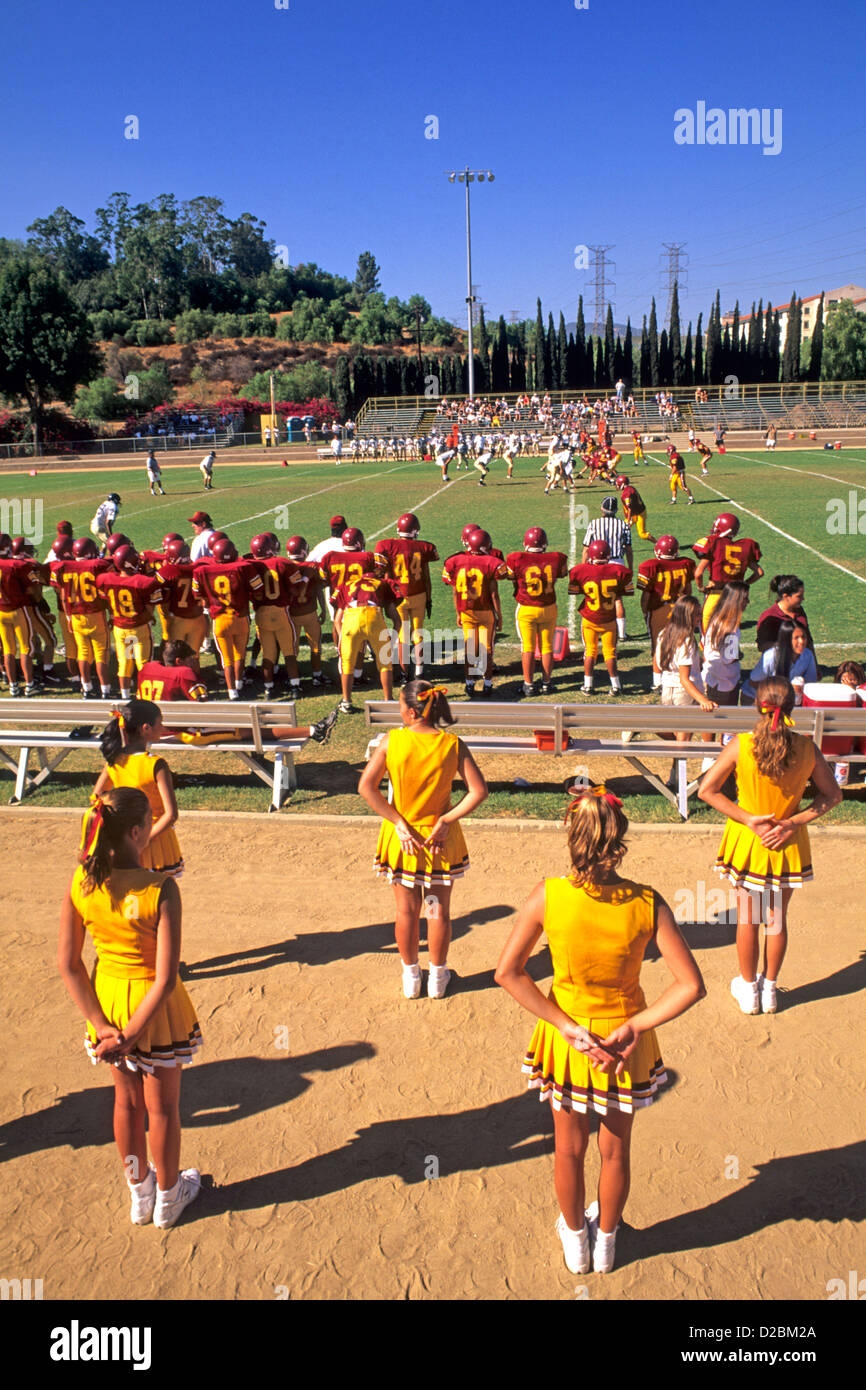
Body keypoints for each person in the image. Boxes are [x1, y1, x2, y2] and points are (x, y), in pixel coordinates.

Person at [495, 787, 705, 1274]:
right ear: (620, 840)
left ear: (571, 837)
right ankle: (607, 1239)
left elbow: (508, 973)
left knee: (568, 1149)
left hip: (568, 1040)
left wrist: (564, 1026)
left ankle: (574, 1240)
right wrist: (637, 1024)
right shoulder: (646, 902)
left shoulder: (547, 896)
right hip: (624, 1042)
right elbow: (690, 985)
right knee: (615, 1149)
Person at [58, 786, 202, 1228]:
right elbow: (165, 977)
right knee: (162, 1108)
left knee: (126, 1103)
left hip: (108, 1001)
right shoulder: (161, 889)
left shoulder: (82, 884)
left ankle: (139, 1193)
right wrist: (135, 1033)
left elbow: (69, 965)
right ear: (138, 832)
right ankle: (169, 1195)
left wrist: (103, 1027)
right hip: (153, 1011)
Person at [698, 677, 842, 1015]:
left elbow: (707, 790)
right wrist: (793, 821)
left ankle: (748, 990)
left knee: (748, 919)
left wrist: (748, 818)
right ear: (793, 708)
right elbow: (833, 795)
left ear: (756, 706)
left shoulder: (741, 745)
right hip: (788, 844)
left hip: (748, 842)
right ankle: (770, 989)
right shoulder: (807, 748)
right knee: (777, 919)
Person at [358, 681, 488, 999]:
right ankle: (439, 978)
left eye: (400, 707)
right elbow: (479, 791)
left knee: (406, 911)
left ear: (412, 711)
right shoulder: (452, 744)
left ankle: (411, 977)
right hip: (439, 840)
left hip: (402, 841)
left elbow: (366, 787)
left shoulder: (393, 741)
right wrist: (446, 819)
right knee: (436, 910)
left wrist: (398, 822)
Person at [93, 700, 183, 876]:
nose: (163, 727)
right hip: (156, 842)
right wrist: (144, 841)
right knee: (155, 895)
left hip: (125, 840)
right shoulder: (156, 764)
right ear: (146, 728)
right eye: (160, 722)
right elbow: (171, 814)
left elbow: (97, 797)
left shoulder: (114, 760)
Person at [442, 528, 506, 698]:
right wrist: (499, 615)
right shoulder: (491, 562)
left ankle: (469, 684)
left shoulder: (455, 561)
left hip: (466, 611)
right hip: (485, 611)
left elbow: (455, 592)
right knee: (487, 649)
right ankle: (487, 683)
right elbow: (494, 594)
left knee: (471, 648)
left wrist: (457, 613)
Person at [506, 527, 569, 696]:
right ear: (545, 543)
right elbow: (563, 574)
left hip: (527, 608)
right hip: (548, 608)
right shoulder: (557, 558)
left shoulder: (516, 558)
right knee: (547, 647)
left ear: (526, 543)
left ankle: (528, 685)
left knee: (528, 647)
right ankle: (547, 684)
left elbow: (511, 576)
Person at [568, 539, 631, 695]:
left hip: (590, 618)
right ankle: (616, 685)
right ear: (609, 555)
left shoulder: (580, 570)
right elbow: (626, 592)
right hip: (609, 618)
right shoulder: (620, 571)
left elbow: (575, 591)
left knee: (590, 651)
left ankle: (588, 685)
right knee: (610, 652)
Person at [638, 536, 695, 687]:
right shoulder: (686, 563)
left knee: (658, 647)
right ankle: (682, 675)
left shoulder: (650, 566)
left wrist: (645, 611)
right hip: (680, 609)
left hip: (658, 609)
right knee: (682, 644)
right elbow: (688, 590)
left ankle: (657, 682)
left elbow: (646, 595)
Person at [692, 514, 763, 631]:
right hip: (735, 598)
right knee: (730, 634)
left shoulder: (713, 543)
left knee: (707, 635)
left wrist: (701, 587)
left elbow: (698, 573)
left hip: (716, 594)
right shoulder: (745, 546)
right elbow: (759, 572)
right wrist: (744, 584)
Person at [740, 619, 817, 705]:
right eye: (796, 638)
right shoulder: (771, 656)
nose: (801, 641)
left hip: (782, 699)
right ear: (787, 640)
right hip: (755, 698)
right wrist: (786, 689)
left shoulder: (808, 655)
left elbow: (810, 682)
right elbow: (753, 682)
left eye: (803, 637)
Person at [756, 576, 812, 653]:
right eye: (799, 596)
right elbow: (762, 646)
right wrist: (787, 645)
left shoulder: (800, 611)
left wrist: (813, 664)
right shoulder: (769, 616)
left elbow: (809, 642)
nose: (803, 599)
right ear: (786, 596)